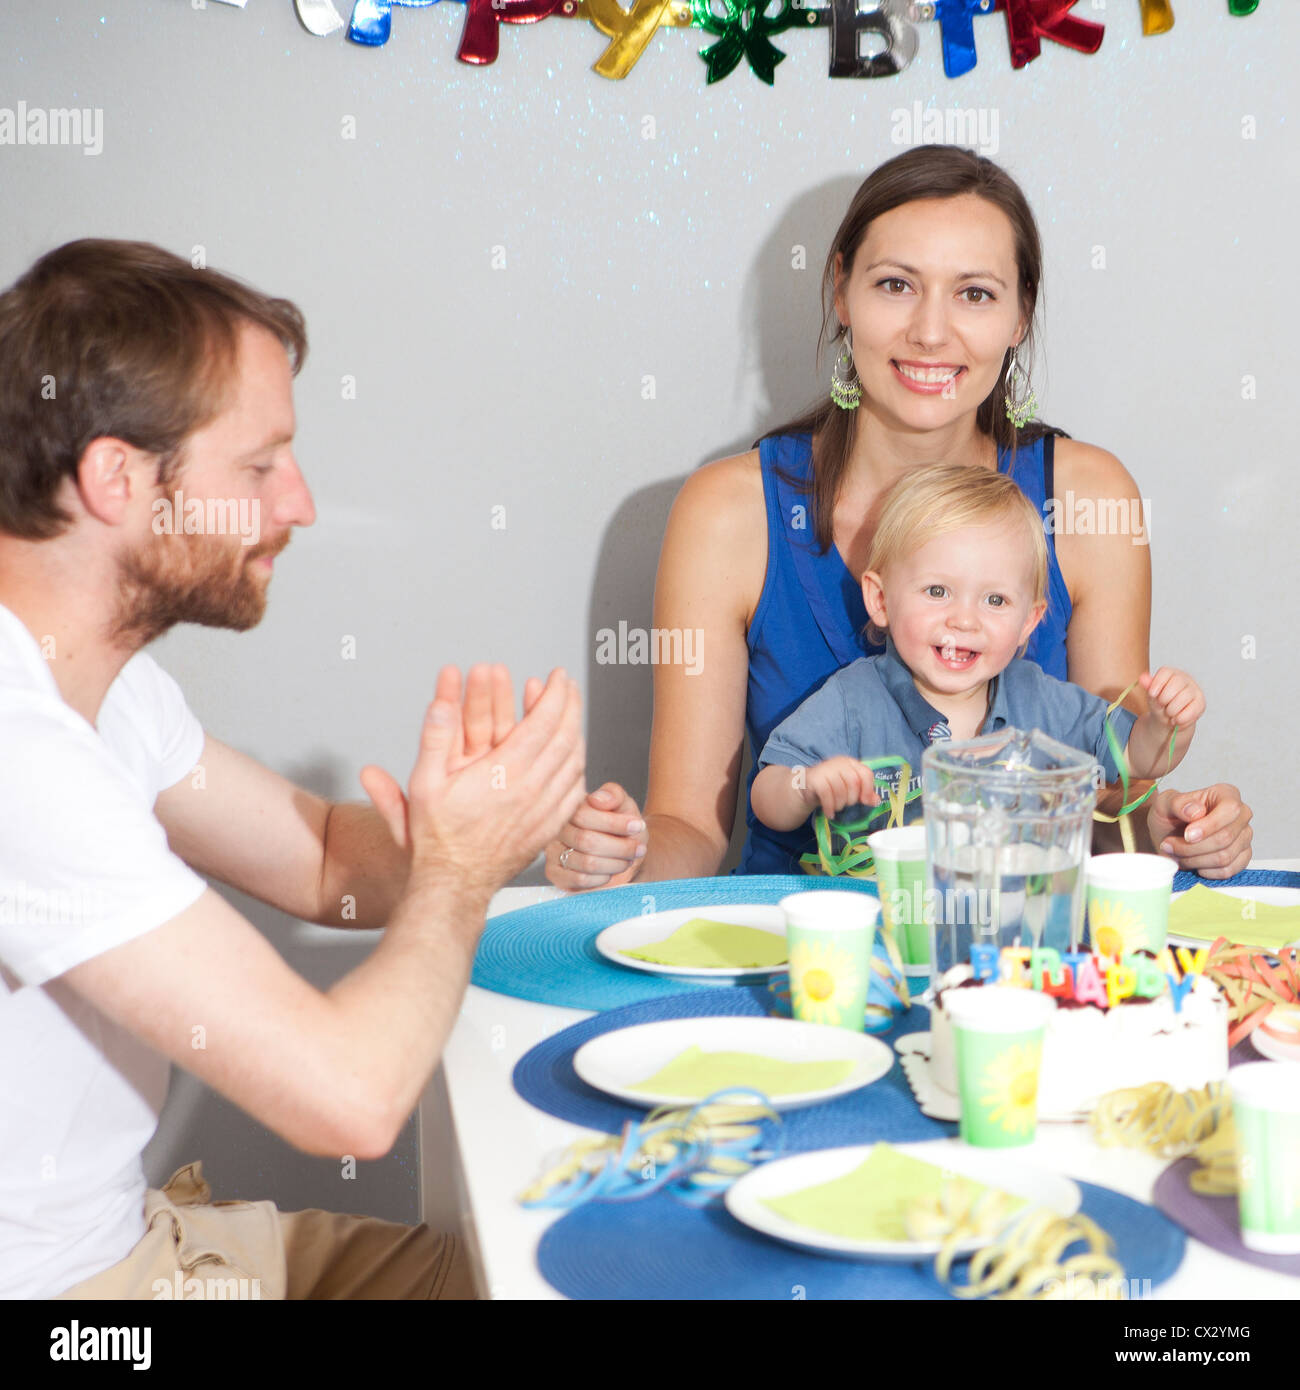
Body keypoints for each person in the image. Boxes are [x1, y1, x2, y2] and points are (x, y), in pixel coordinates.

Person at [0, 239, 587, 1300]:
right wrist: (459, 872)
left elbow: (320, 858)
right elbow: (349, 1101)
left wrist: (481, 822)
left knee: (540, 1266)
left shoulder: (103, 687)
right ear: (117, 477)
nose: (301, 504)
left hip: (146, 1243)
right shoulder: (17, 753)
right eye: (261, 466)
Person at [546, 145, 1252, 889]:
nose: (930, 332)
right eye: (895, 285)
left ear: (1020, 317)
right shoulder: (728, 513)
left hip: (1012, 949)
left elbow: (1106, 799)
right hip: (807, 953)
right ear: (843, 293)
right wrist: (619, 860)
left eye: (975, 294)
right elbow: (689, 824)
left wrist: (1174, 824)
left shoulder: (1090, 498)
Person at [750, 464, 1202, 839]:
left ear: (1029, 619)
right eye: (937, 590)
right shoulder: (854, 700)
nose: (964, 620)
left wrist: (1168, 725)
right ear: (882, 600)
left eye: (995, 601)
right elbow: (768, 793)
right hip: (884, 915)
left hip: (1010, 922)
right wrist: (805, 786)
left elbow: (1137, 759)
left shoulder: (1040, 700)